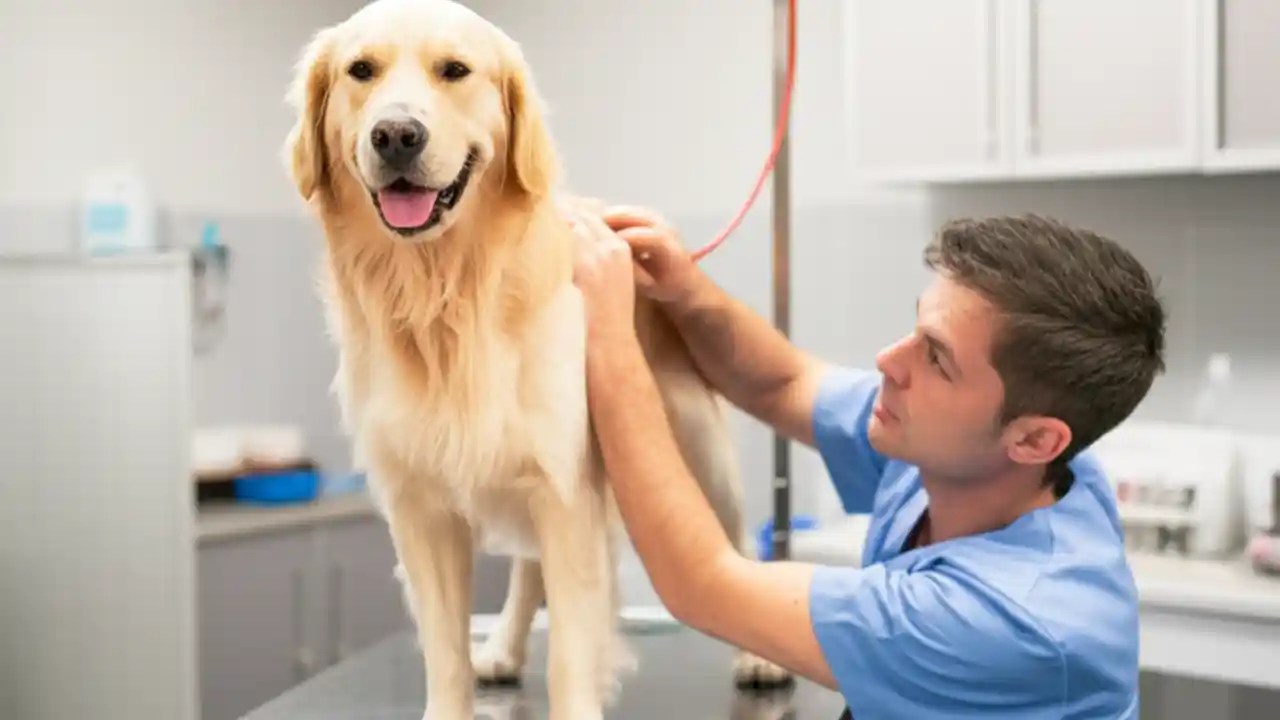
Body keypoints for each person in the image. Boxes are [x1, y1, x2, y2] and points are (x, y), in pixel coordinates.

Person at [567, 206, 1167, 719]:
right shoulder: (979, 461)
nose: (888, 360)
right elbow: (784, 382)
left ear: (1036, 440)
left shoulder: (1007, 619)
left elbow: (702, 585)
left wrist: (609, 333)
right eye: (915, 329)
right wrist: (686, 292)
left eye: (936, 359)